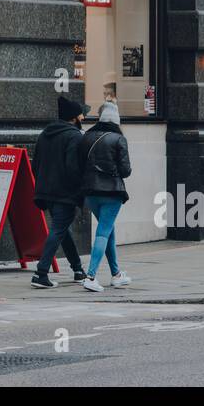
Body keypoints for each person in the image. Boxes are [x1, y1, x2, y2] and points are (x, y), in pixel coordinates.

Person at [29, 96, 90, 289]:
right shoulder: (74, 136)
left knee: (63, 230)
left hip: (46, 191)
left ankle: (78, 270)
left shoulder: (44, 134)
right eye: (81, 114)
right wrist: (79, 191)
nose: (83, 117)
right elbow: (74, 168)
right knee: (58, 230)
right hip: (65, 193)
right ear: (73, 117)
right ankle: (41, 273)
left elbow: (34, 164)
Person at [77, 101, 133, 292]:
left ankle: (116, 274)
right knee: (103, 232)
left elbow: (79, 165)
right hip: (112, 192)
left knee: (107, 230)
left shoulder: (86, 137)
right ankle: (90, 276)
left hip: (90, 193)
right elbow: (126, 171)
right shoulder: (118, 139)